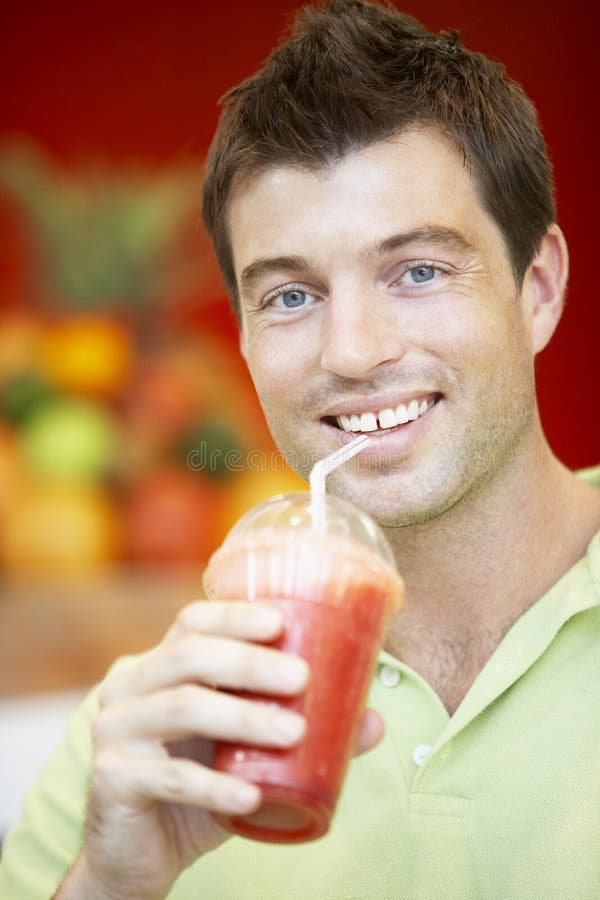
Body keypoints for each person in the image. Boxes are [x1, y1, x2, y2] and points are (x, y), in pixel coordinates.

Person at [2, 1, 599, 897]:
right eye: (289, 296)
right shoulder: (152, 740)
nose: (353, 352)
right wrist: (109, 886)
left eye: (419, 270)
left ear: (539, 288)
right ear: (241, 336)